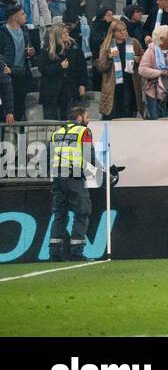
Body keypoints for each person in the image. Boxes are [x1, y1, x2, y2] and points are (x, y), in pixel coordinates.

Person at [48, 104, 96, 261]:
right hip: (74, 178)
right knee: (82, 213)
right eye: (87, 117)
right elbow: (89, 156)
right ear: (79, 117)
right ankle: (77, 253)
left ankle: (54, 254)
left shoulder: (57, 132)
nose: (88, 120)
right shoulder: (84, 131)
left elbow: (49, 155)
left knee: (60, 215)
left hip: (57, 178)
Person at [95, 18, 143, 120]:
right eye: (120, 31)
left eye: (124, 30)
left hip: (130, 83)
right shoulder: (106, 46)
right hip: (113, 85)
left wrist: (139, 59)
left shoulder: (134, 43)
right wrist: (109, 58)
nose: (123, 32)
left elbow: (143, 57)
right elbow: (100, 67)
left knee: (129, 113)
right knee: (114, 114)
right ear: (113, 33)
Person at [38, 23, 86, 122]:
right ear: (57, 35)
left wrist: (82, 84)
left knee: (69, 120)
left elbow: (82, 68)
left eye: (66, 32)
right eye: (63, 33)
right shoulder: (47, 50)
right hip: (50, 91)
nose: (66, 35)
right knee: (51, 122)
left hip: (69, 90)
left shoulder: (74, 48)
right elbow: (42, 69)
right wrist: (59, 67)